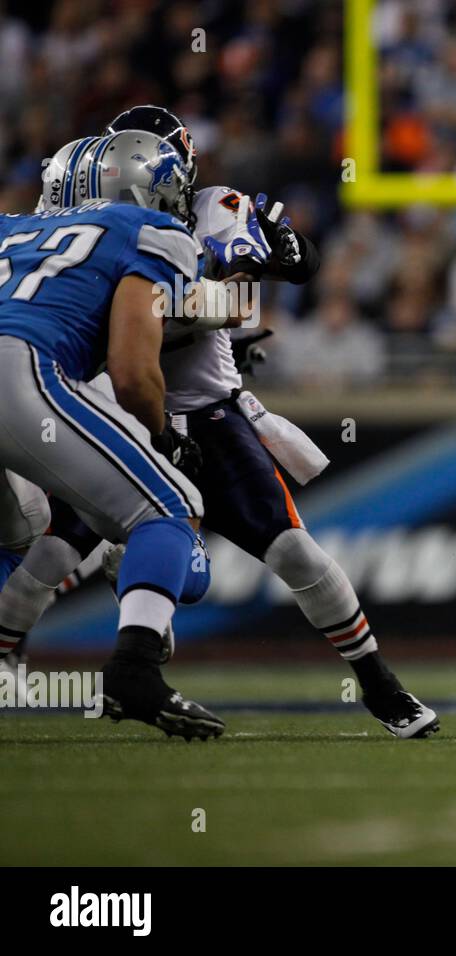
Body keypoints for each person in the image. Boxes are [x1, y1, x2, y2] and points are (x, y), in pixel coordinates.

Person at [0, 106, 439, 739]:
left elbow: (247, 288)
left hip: (201, 412)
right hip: (114, 405)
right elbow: (200, 308)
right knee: (51, 553)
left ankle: (377, 682)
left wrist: (275, 255)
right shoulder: (116, 229)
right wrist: (199, 298)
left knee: (293, 550)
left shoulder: (207, 210)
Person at [0, 130, 218, 738]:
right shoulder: (150, 231)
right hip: (19, 374)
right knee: (172, 509)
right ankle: (135, 671)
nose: (178, 203)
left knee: (18, 530)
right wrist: (163, 437)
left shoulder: (9, 226)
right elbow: (131, 370)